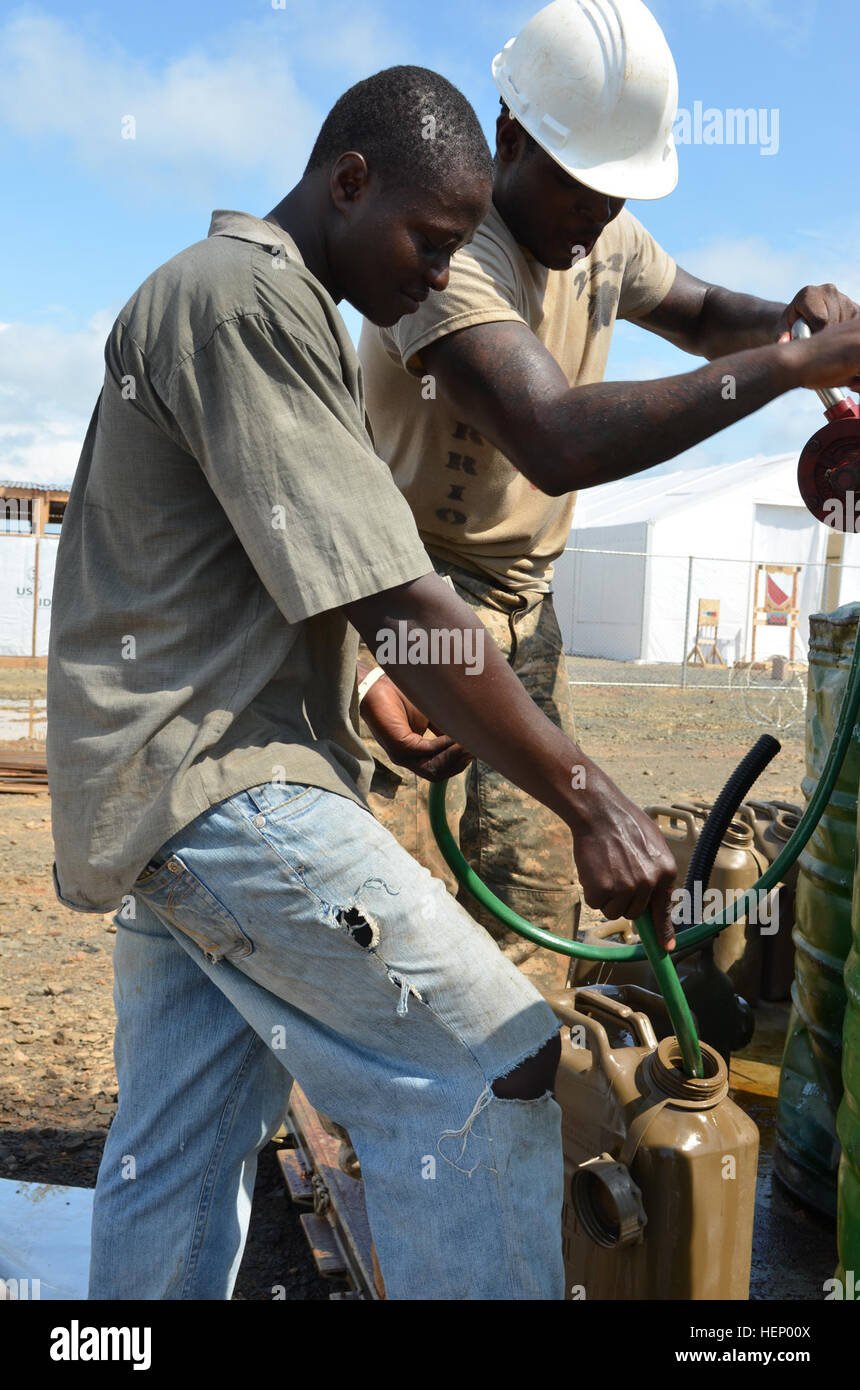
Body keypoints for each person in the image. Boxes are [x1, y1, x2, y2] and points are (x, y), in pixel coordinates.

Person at [47, 65, 678, 1302]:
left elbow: (282, 579)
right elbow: (397, 597)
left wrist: (370, 696)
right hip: (224, 790)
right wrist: (588, 796)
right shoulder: (244, 303)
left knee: (177, 1150)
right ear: (348, 182)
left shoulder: (267, 310)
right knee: (493, 1065)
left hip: (173, 794)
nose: (442, 272)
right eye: (431, 238)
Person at [358, 0, 860, 991]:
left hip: (518, 616)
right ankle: (329, 1135)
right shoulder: (445, 259)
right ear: (508, 138)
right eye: (581, 185)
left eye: (614, 193)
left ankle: (501, 1120)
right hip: (397, 606)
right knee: (371, 918)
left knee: (530, 897)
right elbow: (553, 438)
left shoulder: (601, 235)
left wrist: (792, 326)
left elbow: (702, 310)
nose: (596, 213)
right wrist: (787, 369)